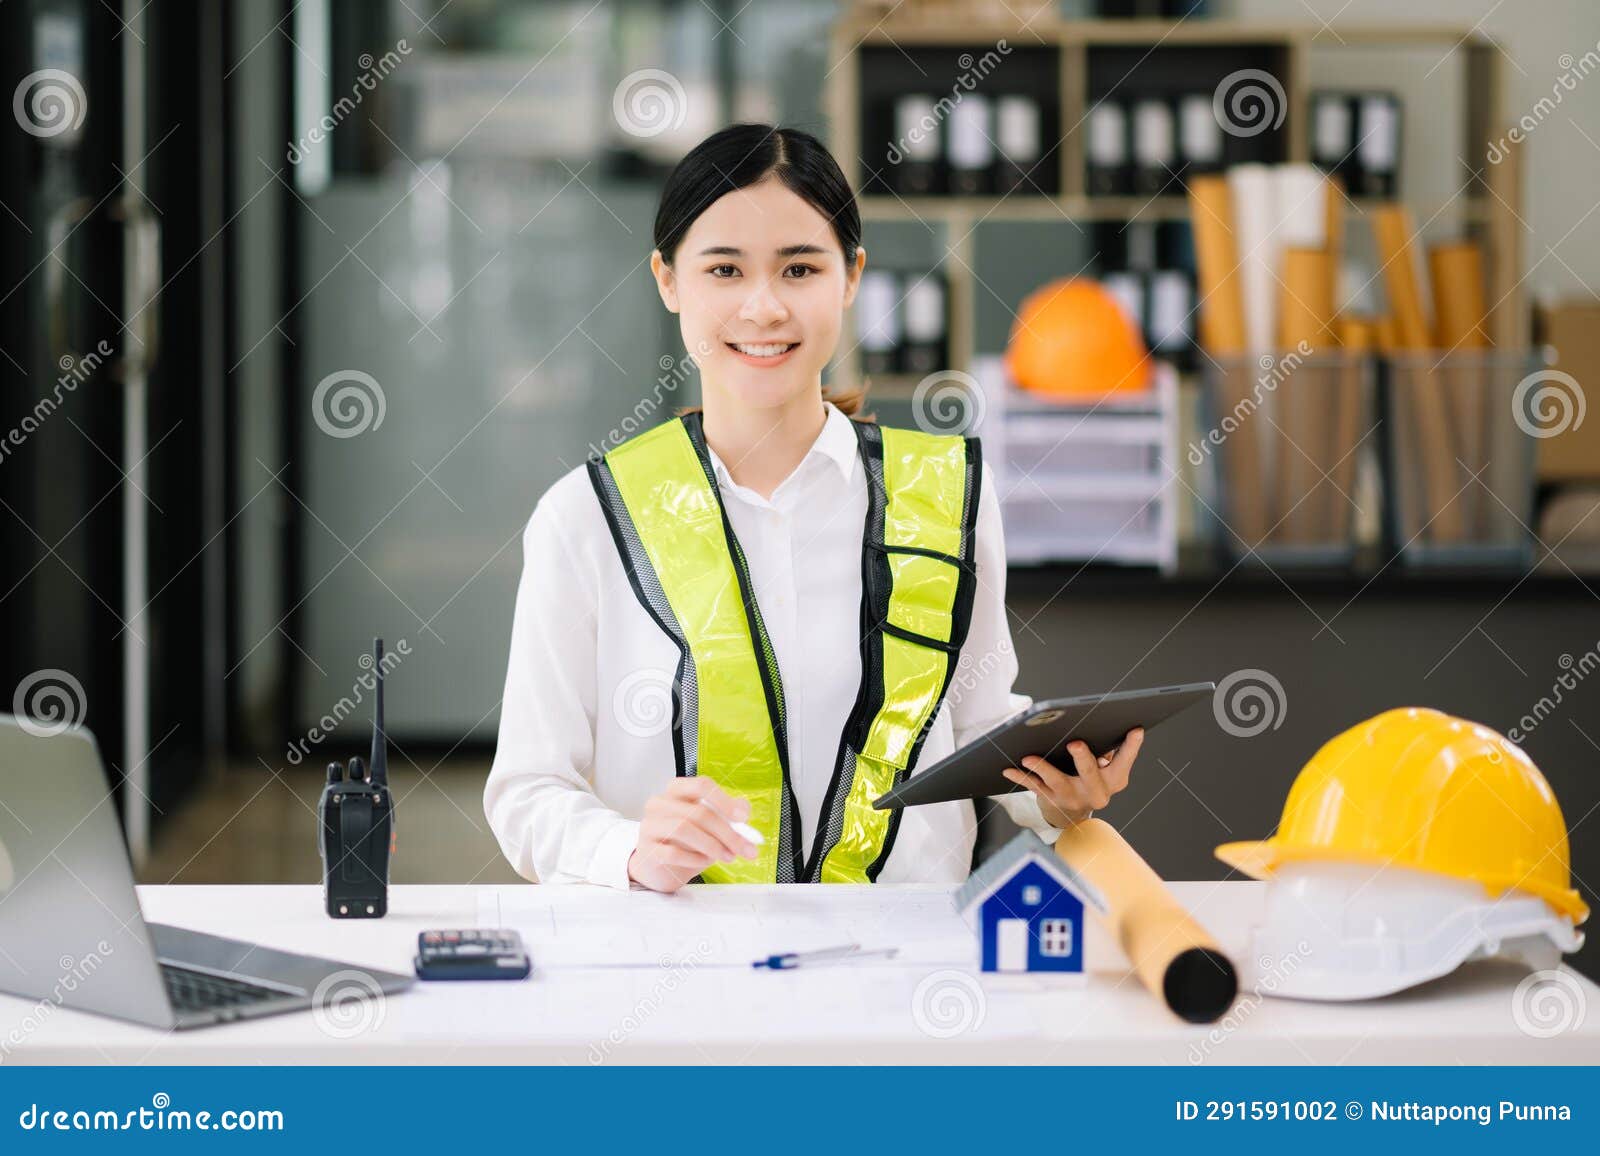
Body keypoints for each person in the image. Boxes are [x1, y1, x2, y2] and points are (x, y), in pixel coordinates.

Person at [484, 123, 1143, 893]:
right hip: (674, 954)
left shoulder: (946, 493)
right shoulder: (588, 517)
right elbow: (527, 793)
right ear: (668, 281)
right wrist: (630, 850)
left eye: (799, 268)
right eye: (724, 269)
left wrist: (1058, 794)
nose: (764, 307)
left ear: (851, 276)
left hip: (909, 954)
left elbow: (977, 728)